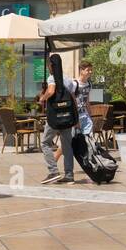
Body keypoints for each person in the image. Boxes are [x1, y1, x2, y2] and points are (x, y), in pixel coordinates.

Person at [39, 53, 77, 185]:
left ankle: (53, 171)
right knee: (67, 146)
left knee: (45, 142)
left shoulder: (51, 78)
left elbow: (51, 91)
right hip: (67, 117)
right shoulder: (67, 79)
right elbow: (73, 98)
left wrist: (42, 98)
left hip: (55, 118)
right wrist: (75, 118)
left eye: (49, 64)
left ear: (51, 65)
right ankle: (69, 175)